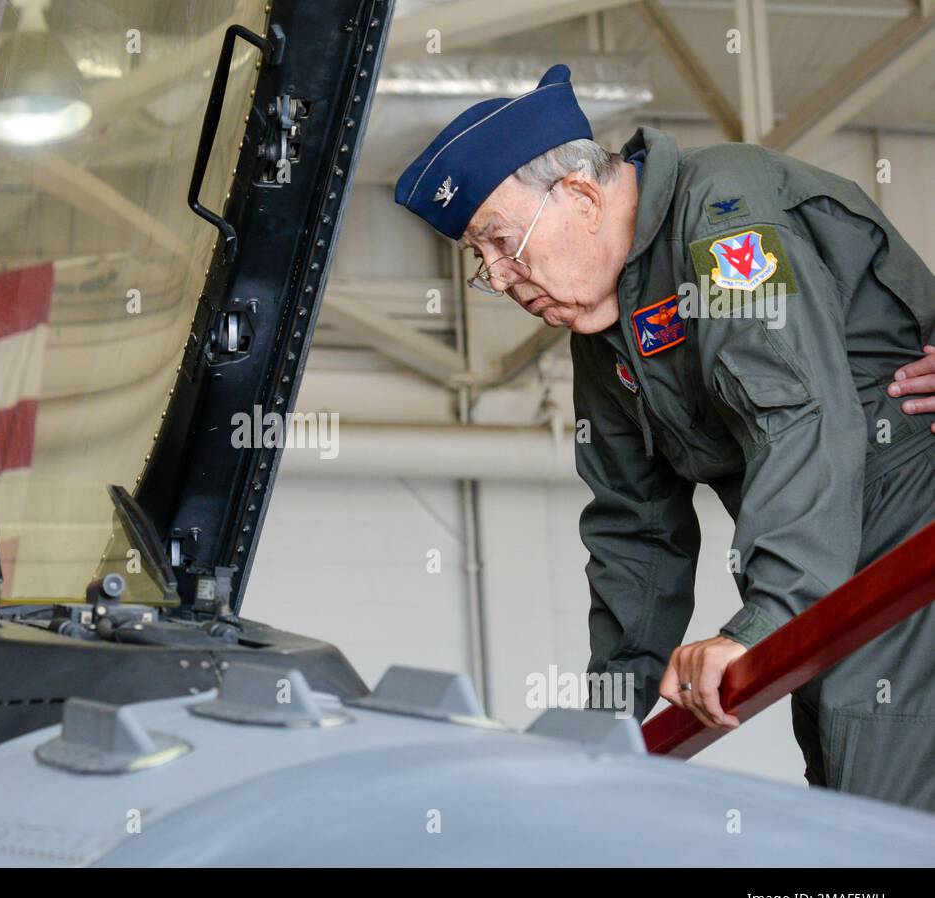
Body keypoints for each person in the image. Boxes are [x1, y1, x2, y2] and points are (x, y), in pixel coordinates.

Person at [394, 64, 935, 810]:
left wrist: (767, 619)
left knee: (875, 826)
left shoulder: (723, 209)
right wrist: (603, 716)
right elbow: (635, 524)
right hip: (829, 561)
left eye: (500, 242)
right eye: (480, 263)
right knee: (845, 794)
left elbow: (796, 415)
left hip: (901, 538)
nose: (499, 278)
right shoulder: (603, 325)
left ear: (580, 196)